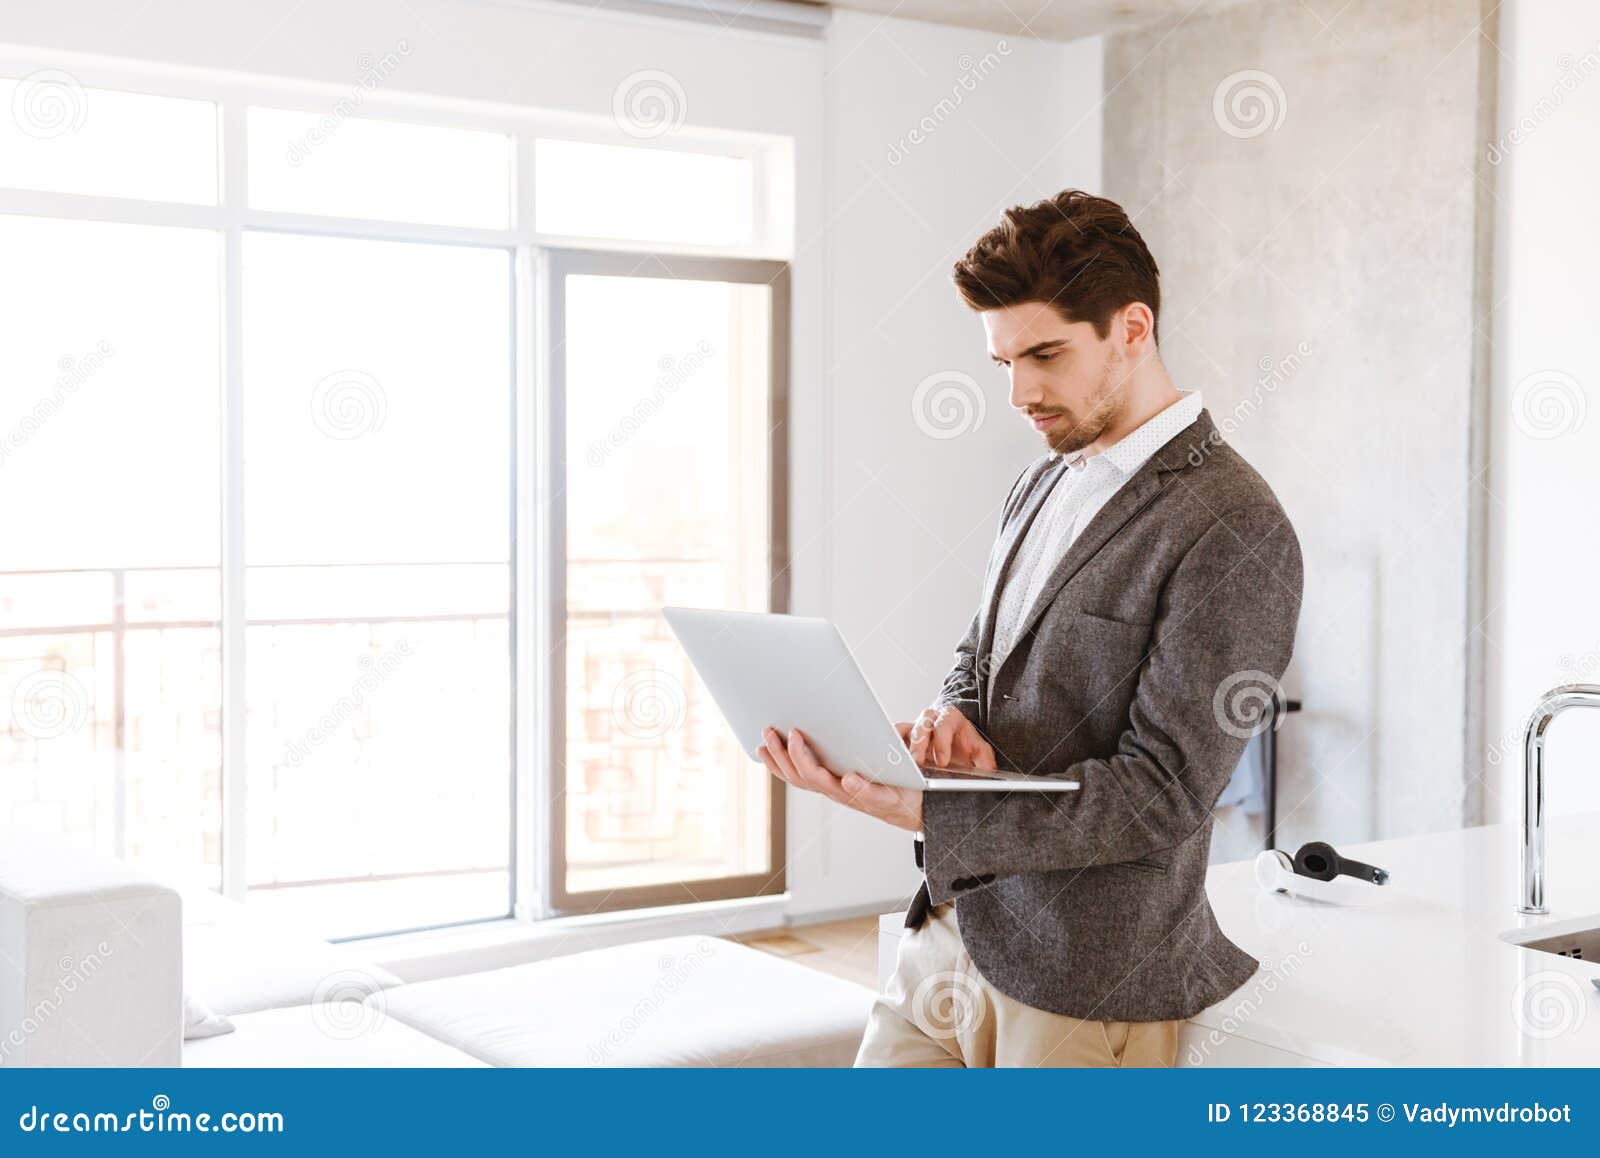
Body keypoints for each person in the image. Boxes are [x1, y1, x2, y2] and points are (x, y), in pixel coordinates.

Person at [758, 189, 1303, 1068]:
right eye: (1003, 360)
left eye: (1044, 353)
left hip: (1086, 984)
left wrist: (926, 812)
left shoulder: (1233, 523)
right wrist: (950, 724)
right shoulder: (1042, 480)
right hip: (947, 931)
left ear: (1133, 327)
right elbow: (982, 652)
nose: (1018, 391)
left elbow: (1163, 794)